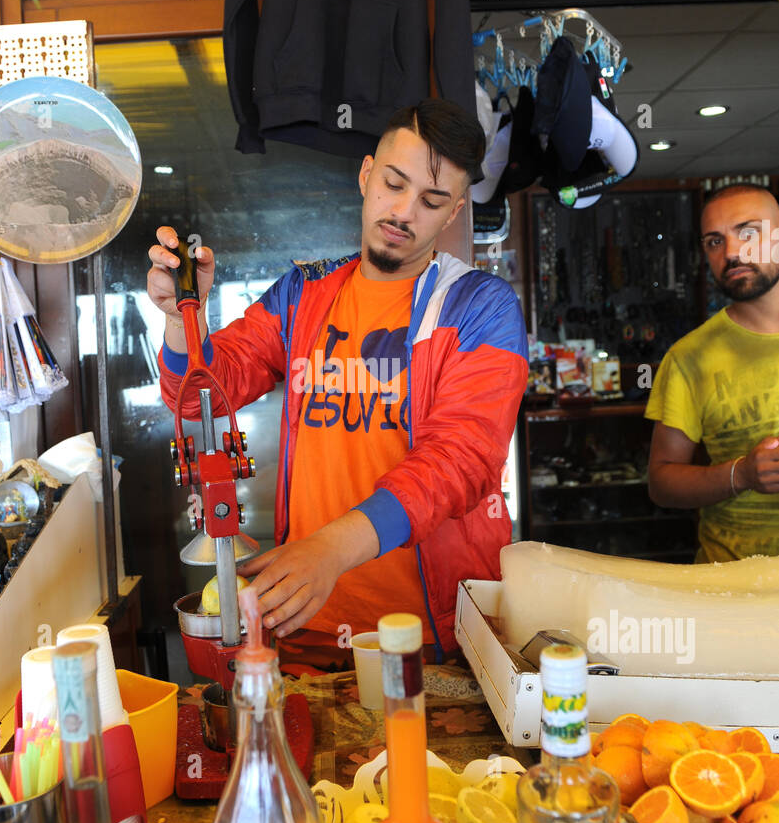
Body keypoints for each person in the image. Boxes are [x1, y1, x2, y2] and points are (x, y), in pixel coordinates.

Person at [148, 99, 529, 665]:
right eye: (393, 184)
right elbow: (206, 395)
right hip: (305, 622)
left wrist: (330, 548)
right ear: (365, 174)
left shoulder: (481, 307)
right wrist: (183, 320)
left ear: (451, 216)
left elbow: (462, 458)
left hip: (429, 641)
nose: (403, 211)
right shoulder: (303, 295)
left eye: (430, 201)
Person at [647, 182, 779, 562]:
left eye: (748, 233)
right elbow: (662, 483)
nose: (732, 253)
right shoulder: (690, 357)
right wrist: (743, 475)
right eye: (714, 241)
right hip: (731, 594)